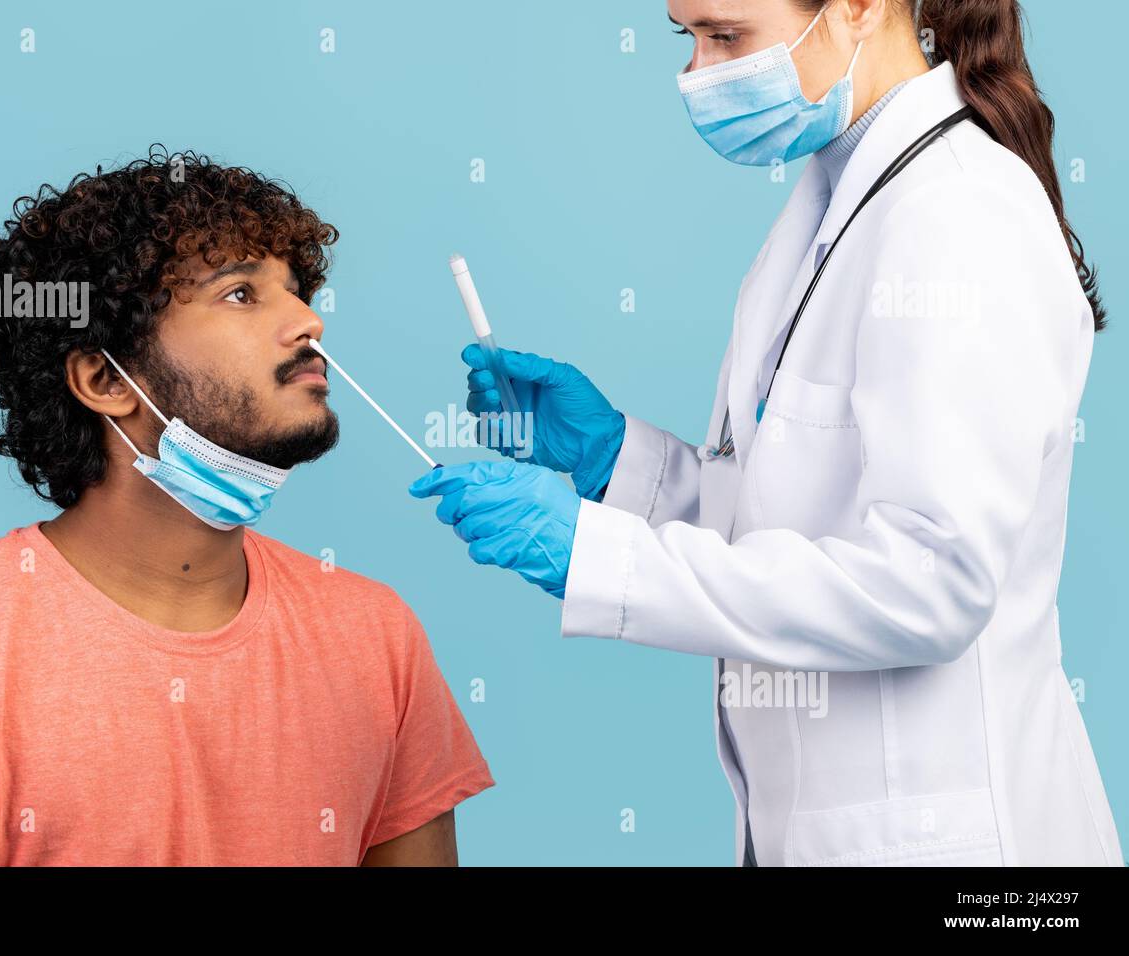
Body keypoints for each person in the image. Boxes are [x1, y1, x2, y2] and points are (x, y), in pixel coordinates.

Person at [409, 0, 1123, 866]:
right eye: (689, 38)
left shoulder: (958, 214)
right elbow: (797, 520)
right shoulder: (838, 199)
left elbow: (930, 584)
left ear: (860, 8)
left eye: (726, 37)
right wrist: (618, 461)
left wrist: (598, 558)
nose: (698, 77)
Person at [0, 147, 493, 866]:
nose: (309, 322)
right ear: (105, 381)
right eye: (241, 293)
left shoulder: (377, 635)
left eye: (298, 289)